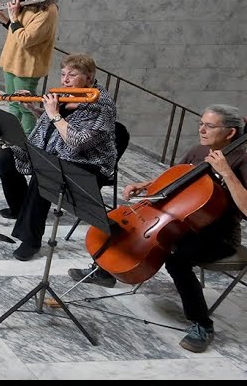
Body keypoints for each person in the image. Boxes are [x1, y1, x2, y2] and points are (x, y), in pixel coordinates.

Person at [68, 104, 245, 353]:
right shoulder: (199, 150)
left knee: (177, 260)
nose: (202, 130)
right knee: (123, 225)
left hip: (217, 235)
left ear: (230, 132)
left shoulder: (242, 160)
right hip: (181, 221)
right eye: (201, 123)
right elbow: (175, 178)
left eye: (209, 126)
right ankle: (106, 270)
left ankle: (202, 324)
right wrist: (145, 185)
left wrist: (227, 173)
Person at [5, 53, 117, 262]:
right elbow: (53, 124)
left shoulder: (102, 105)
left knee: (45, 172)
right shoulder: (67, 94)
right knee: (6, 156)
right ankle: (20, 208)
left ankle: (30, 240)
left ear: (89, 77)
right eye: (63, 74)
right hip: (56, 151)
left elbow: (77, 142)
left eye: (72, 75)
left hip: (88, 162)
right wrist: (33, 107)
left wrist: (54, 114)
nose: (65, 80)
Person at [0, 0, 59, 135]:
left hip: (27, 67)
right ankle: (11, 138)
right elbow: (16, 31)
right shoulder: (27, 4)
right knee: (13, 103)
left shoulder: (47, 10)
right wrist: (4, 17)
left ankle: (27, 142)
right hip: (12, 62)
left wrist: (13, 16)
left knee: (25, 107)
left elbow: (26, 40)